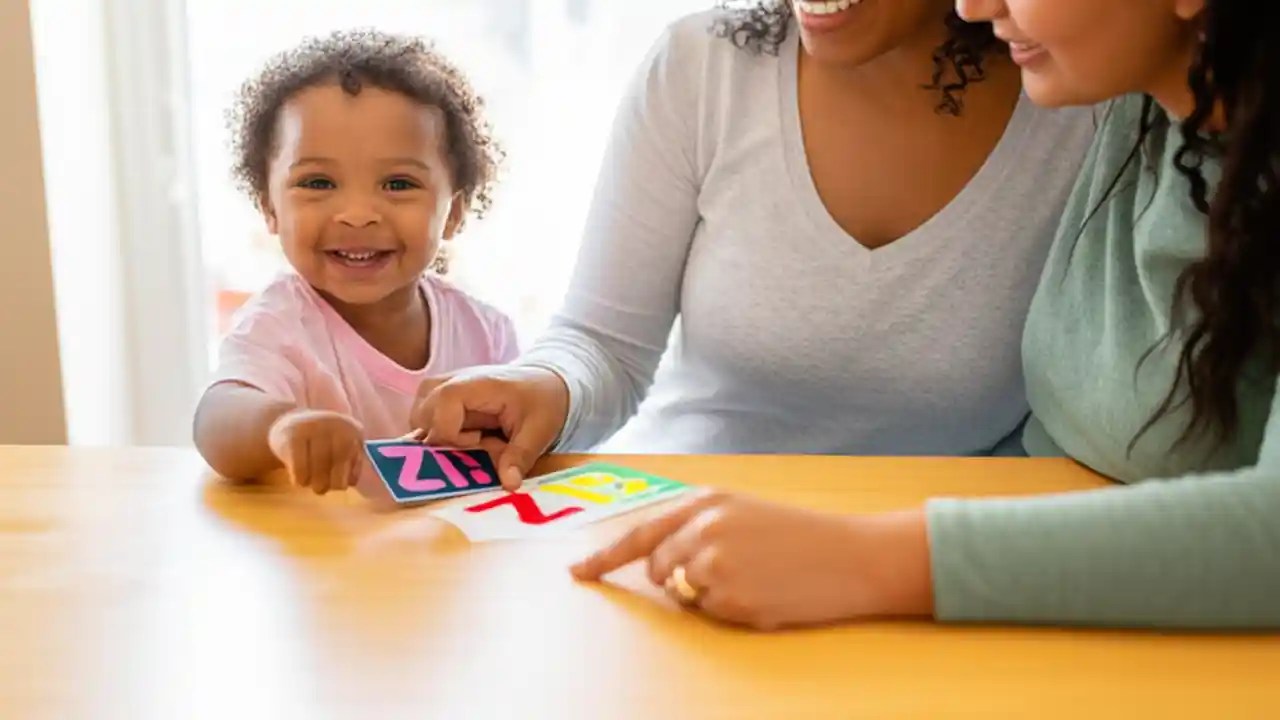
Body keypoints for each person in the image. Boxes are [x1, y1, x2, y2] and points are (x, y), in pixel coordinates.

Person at [567, 0, 1280, 630]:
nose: (974, 6)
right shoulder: (1138, 113)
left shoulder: (1092, 110)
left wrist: (861, 560)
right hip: (1021, 608)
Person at [411, 1, 1095, 489]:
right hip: (688, 524)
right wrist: (545, 386)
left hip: (941, 559)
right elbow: (603, 344)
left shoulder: (1087, 108)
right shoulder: (701, 65)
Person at [194, 30, 518, 496]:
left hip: (450, 560)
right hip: (325, 562)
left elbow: (528, 446)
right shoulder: (279, 326)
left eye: (399, 184)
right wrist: (280, 427)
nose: (358, 214)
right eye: (319, 183)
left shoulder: (487, 333)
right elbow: (216, 420)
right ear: (269, 208)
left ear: (454, 213)